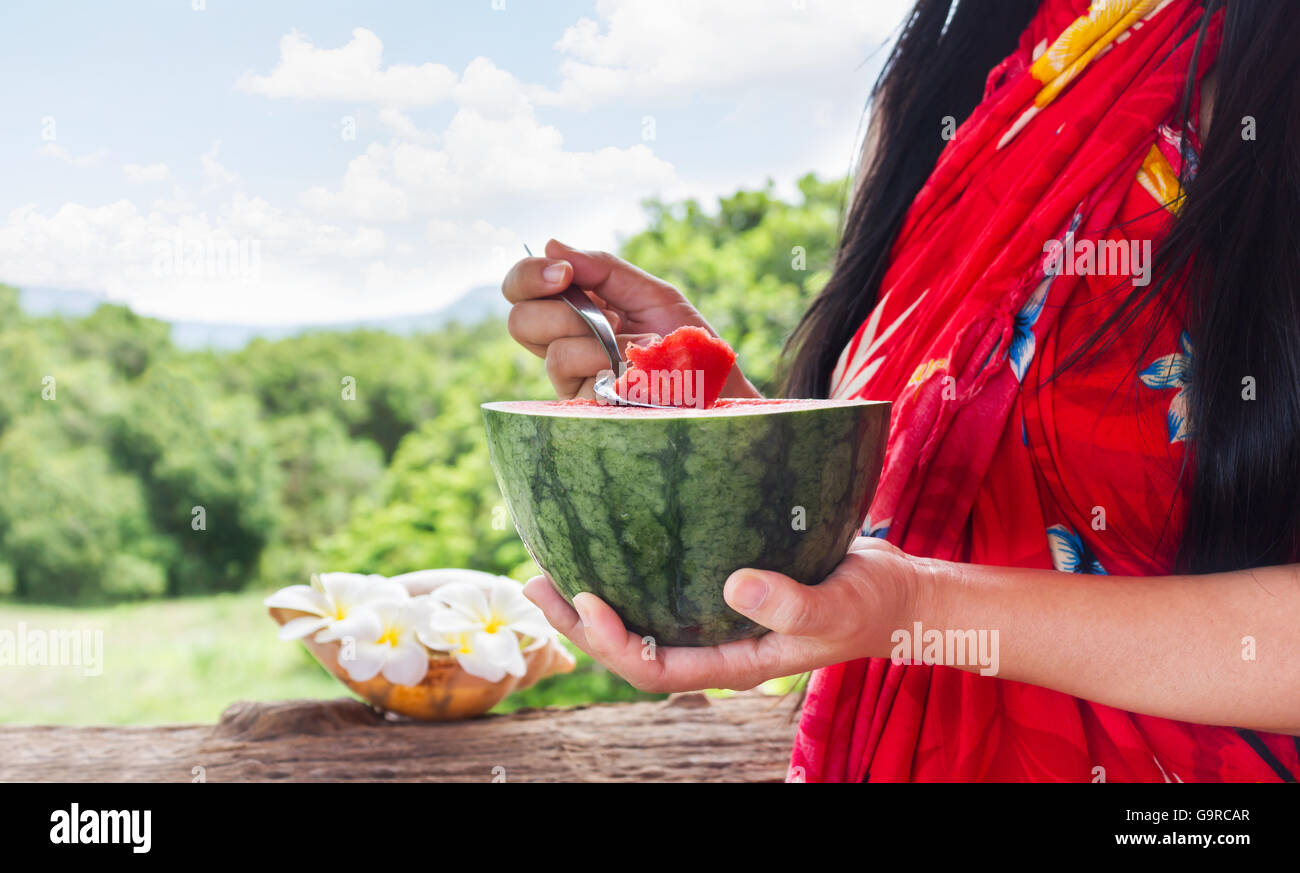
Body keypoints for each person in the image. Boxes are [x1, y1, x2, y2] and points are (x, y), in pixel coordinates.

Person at [500, 0, 1300, 782]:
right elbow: (919, 492)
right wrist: (716, 418)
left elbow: (912, 588)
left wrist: (919, 608)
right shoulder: (961, 69)